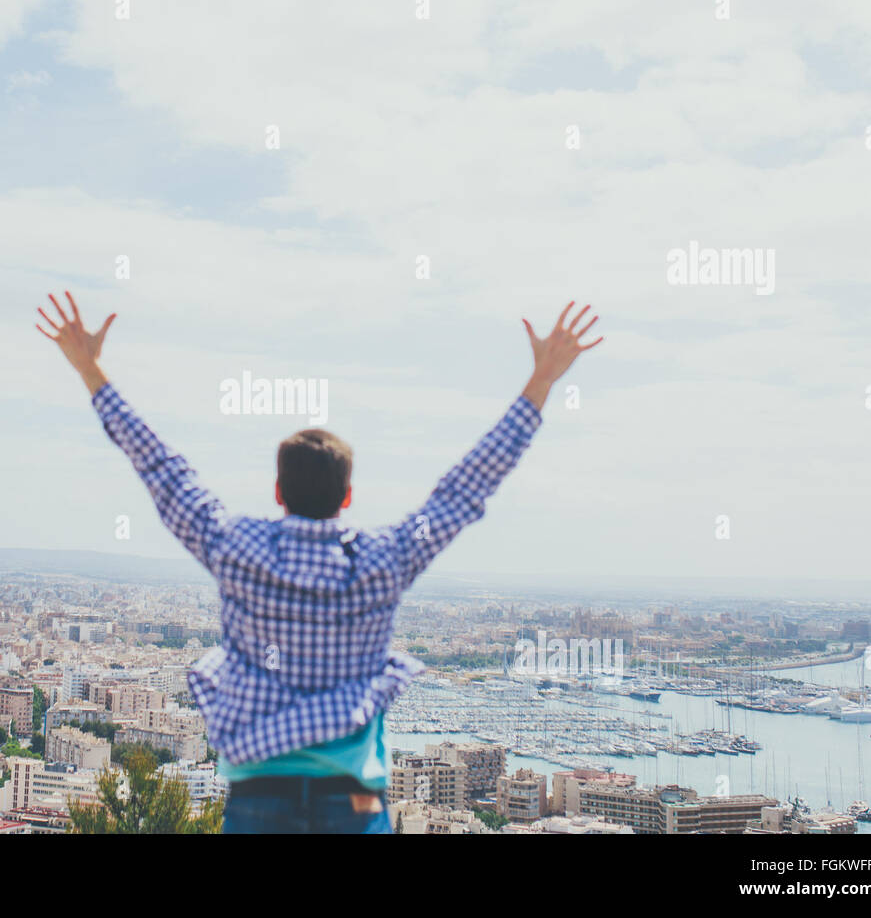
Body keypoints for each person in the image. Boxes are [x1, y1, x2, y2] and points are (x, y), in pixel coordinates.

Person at [36, 291, 602, 833]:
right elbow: (464, 488)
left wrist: (90, 370)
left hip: (261, 796)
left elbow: (161, 468)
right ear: (347, 495)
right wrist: (541, 381)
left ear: (277, 491)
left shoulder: (237, 550)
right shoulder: (383, 561)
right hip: (352, 800)